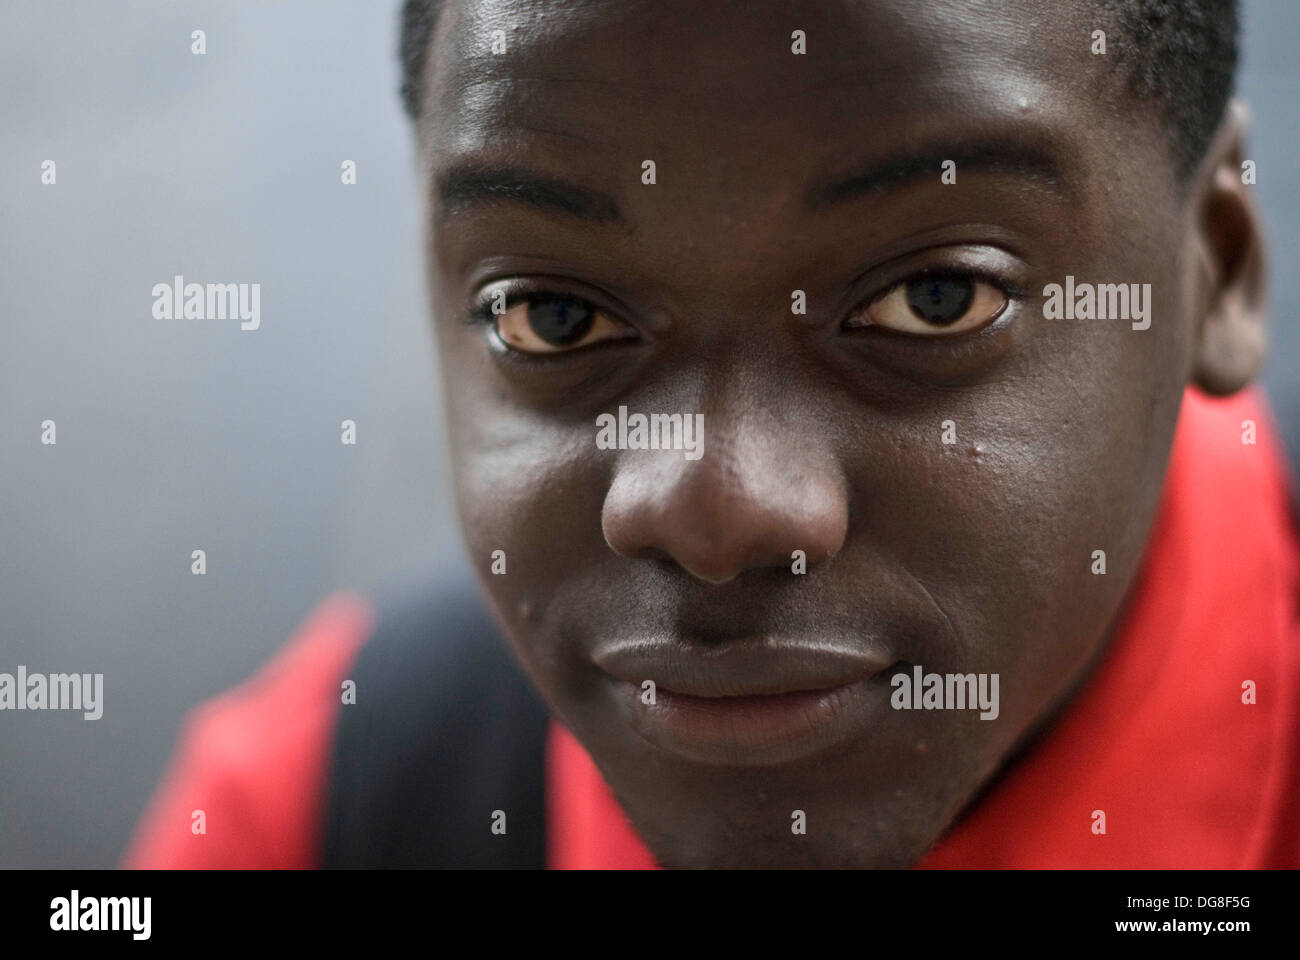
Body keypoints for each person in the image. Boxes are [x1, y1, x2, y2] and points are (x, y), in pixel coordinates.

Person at [125, 0, 1299, 869]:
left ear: (1219, 270)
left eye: (935, 297)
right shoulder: (314, 810)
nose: (713, 509)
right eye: (557, 314)